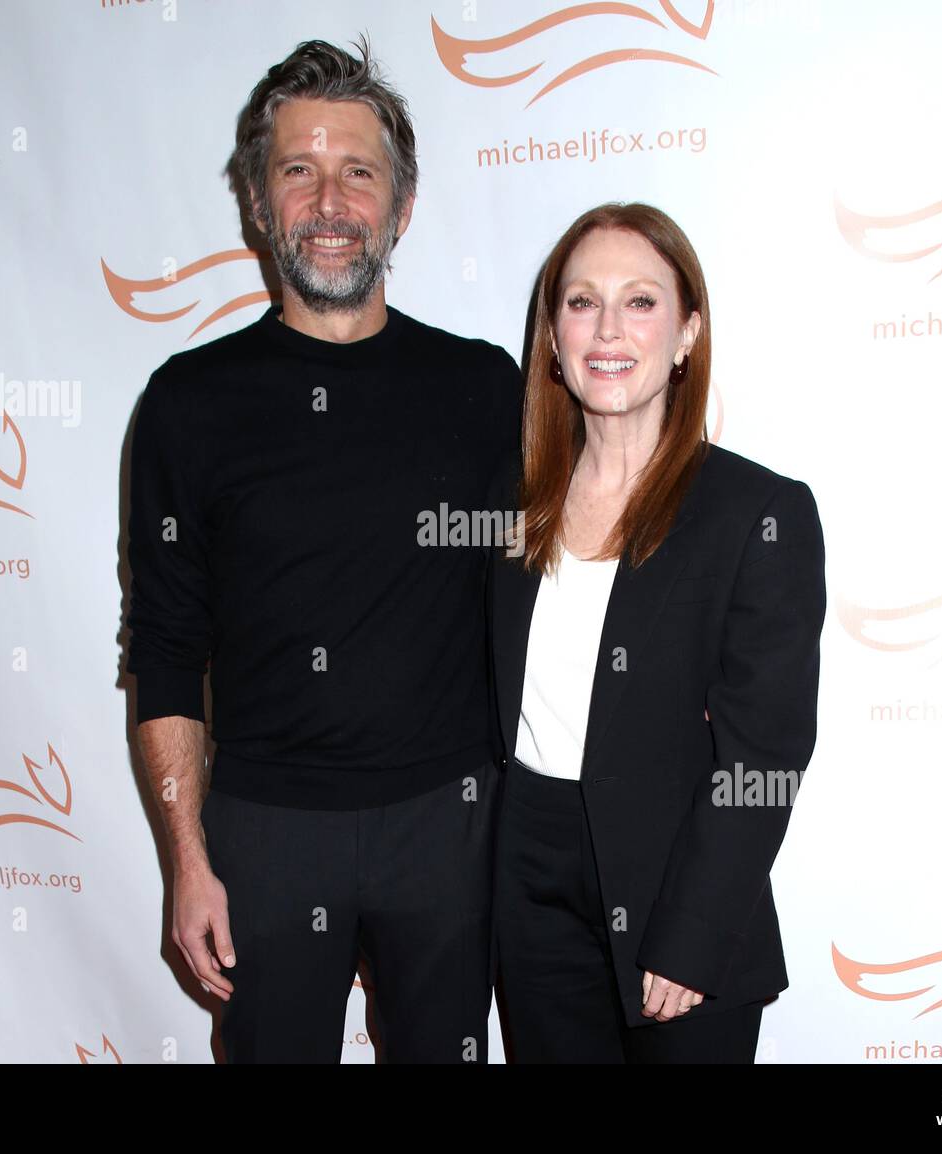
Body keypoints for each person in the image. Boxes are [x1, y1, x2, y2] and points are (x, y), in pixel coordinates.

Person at [125, 37, 522, 1064]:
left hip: (450, 825)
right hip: (264, 830)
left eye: (359, 170)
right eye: (297, 170)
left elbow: (563, 581)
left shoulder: (485, 390)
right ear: (258, 205)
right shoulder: (187, 403)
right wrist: (187, 859)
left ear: (403, 201)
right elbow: (166, 647)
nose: (330, 200)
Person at [487, 202, 826, 1063]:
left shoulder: (757, 513)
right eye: (580, 302)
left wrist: (694, 932)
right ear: (553, 340)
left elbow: (765, 756)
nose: (607, 329)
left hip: (682, 879)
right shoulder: (509, 509)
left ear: (686, 334)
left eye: (640, 302)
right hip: (530, 891)